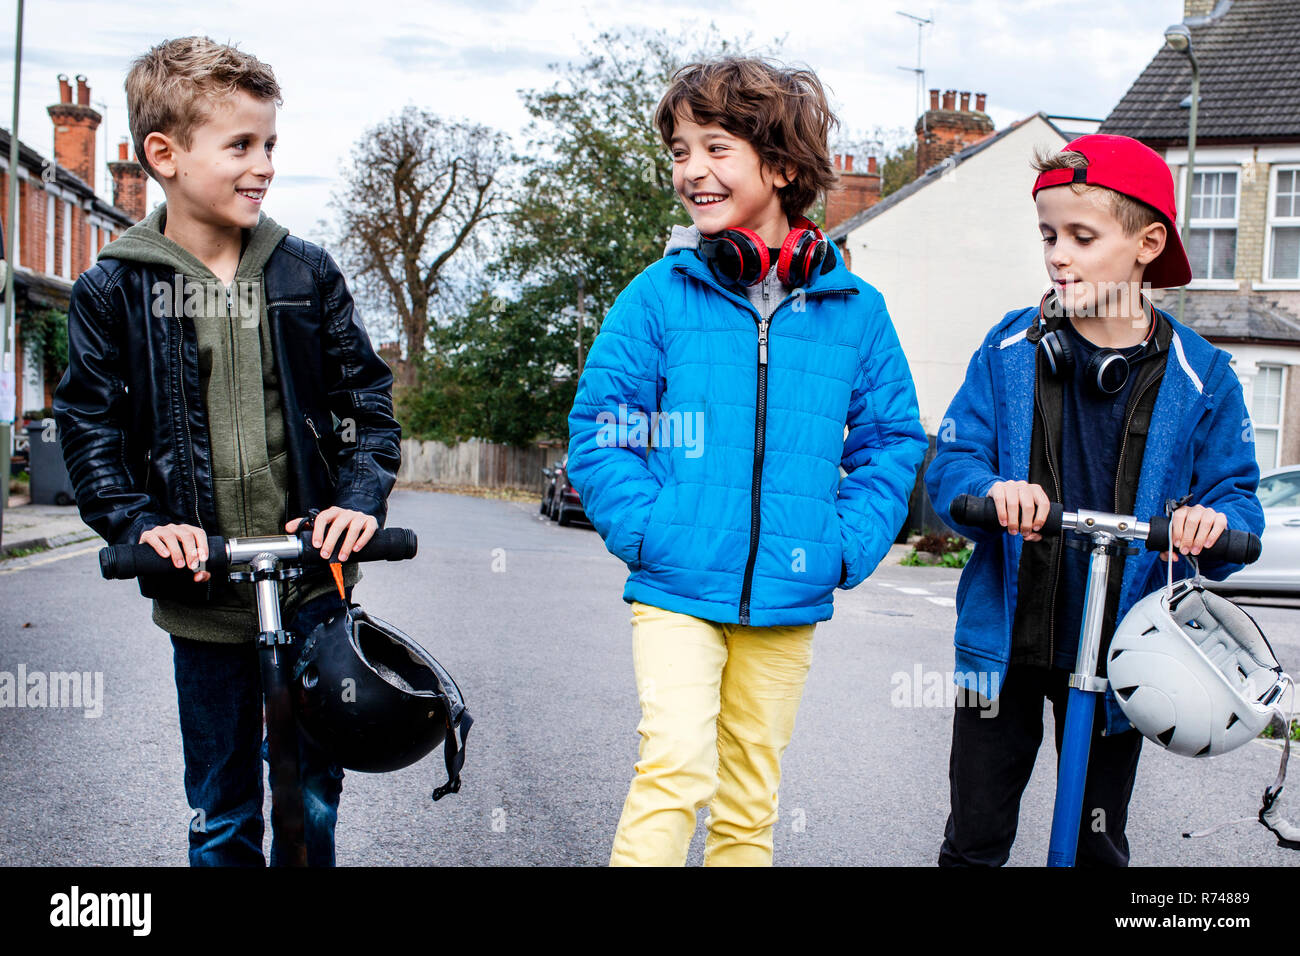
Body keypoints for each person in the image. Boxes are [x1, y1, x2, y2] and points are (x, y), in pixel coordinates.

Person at [567, 55, 927, 866]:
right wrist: (652, 530)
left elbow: (893, 441)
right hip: (676, 582)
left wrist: (841, 545)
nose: (691, 169)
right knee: (674, 768)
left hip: (791, 590)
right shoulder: (655, 296)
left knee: (749, 797)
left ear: (784, 166)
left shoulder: (857, 312)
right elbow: (601, 430)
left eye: (714, 147)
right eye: (680, 151)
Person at [52, 36, 401, 866]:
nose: (264, 165)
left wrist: (357, 497)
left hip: (313, 587)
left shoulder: (305, 275)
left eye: (270, 144)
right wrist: (138, 524)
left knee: (313, 798)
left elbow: (367, 408)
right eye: (241, 145)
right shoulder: (115, 288)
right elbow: (89, 426)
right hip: (201, 599)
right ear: (163, 156)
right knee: (224, 809)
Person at [925, 134, 1265, 866]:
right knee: (975, 836)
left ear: (1147, 244)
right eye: (1048, 234)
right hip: (1005, 643)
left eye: (1082, 236)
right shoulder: (1009, 348)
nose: (1058, 254)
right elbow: (952, 462)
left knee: (1097, 844)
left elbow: (1237, 498)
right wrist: (989, 489)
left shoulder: (1203, 375)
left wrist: (1214, 522)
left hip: (1123, 654)